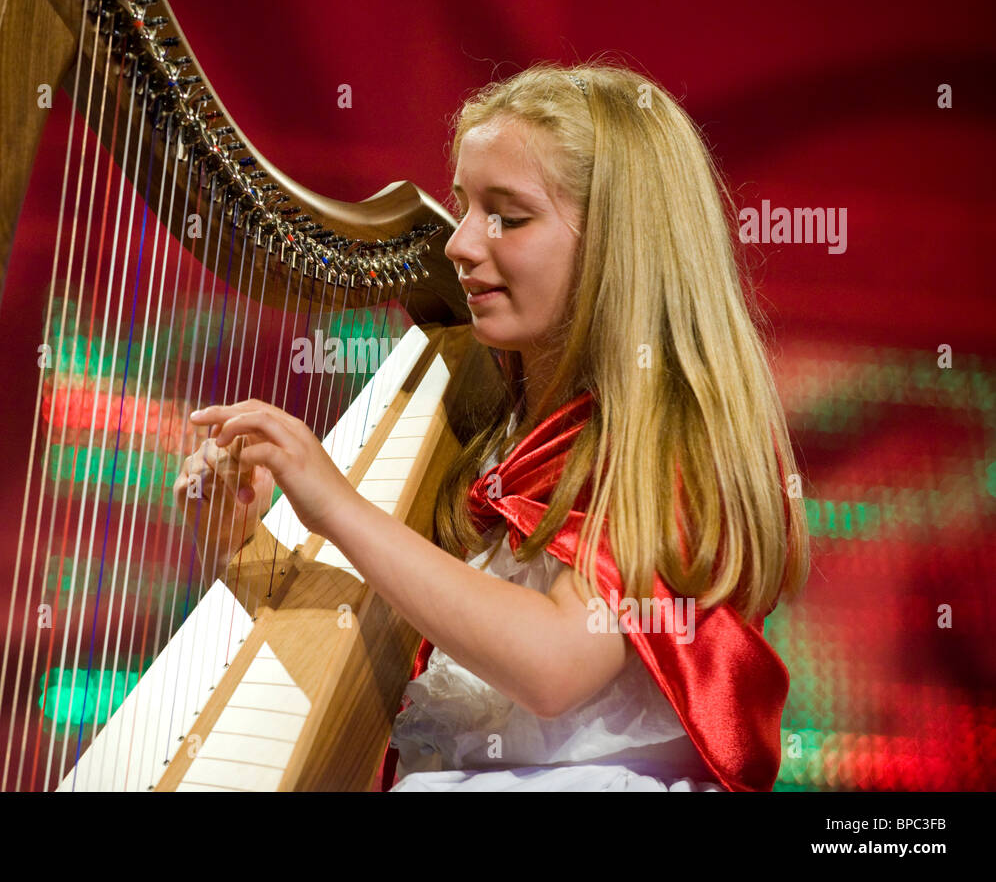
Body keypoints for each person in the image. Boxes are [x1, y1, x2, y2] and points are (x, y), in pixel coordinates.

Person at [174, 61, 810, 792]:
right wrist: (237, 545)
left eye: (506, 214)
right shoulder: (496, 432)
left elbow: (552, 664)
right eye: (464, 206)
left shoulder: (670, 439)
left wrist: (335, 503)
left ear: (616, 245)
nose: (459, 243)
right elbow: (382, 640)